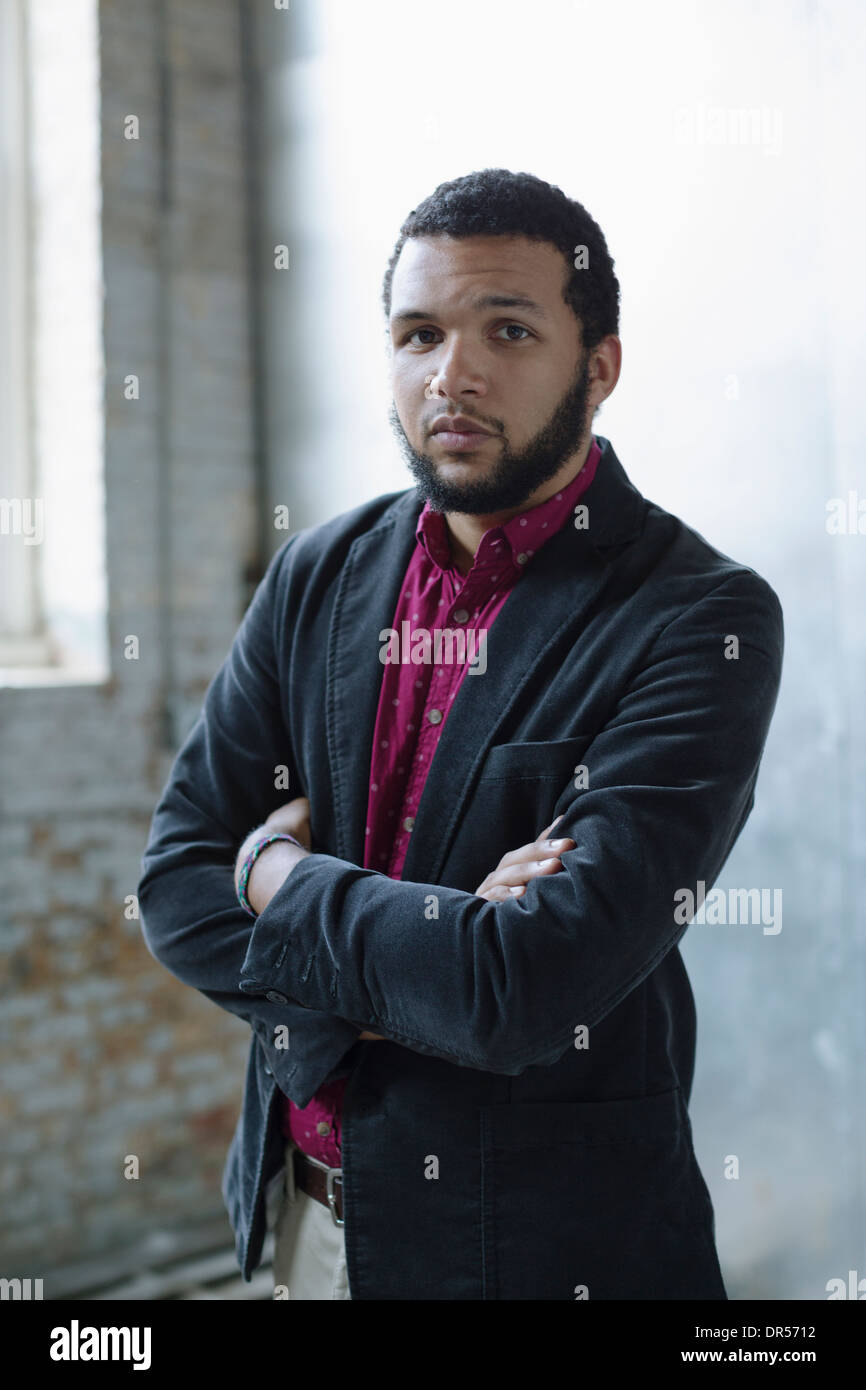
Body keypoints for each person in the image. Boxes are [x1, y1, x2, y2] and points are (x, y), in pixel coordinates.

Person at [138, 168, 784, 1300]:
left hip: (542, 1252)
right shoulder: (317, 574)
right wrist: (428, 959)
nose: (453, 374)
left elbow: (521, 989)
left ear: (599, 366)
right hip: (304, 1218)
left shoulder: (697, 616)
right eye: (418, 332)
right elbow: (176, 883)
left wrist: (272, 868)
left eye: (508, 330)